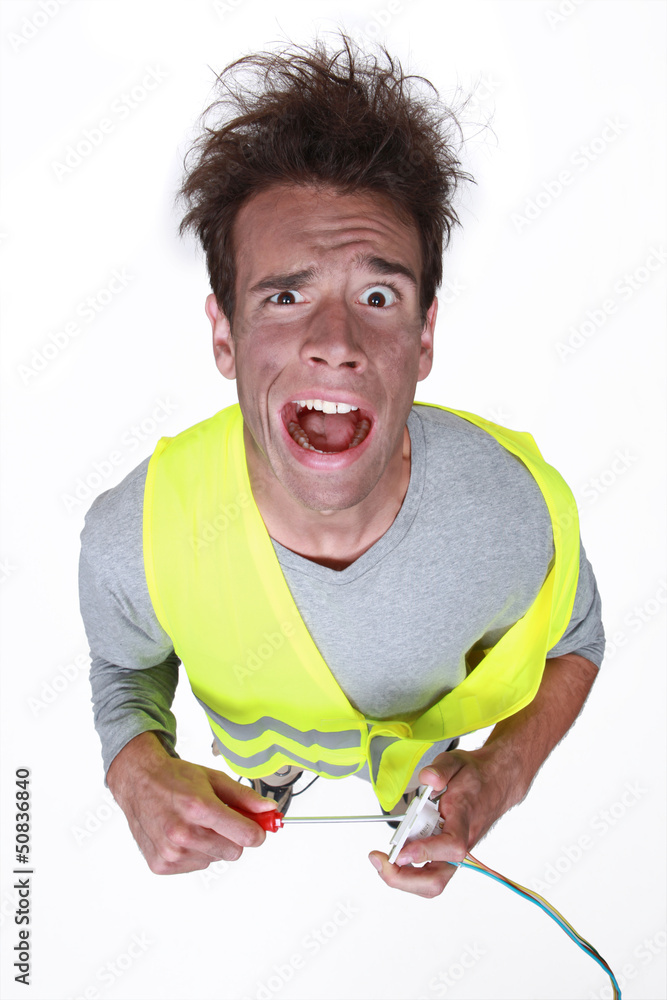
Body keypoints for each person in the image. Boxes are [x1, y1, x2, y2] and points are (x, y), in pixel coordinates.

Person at [79, 34, 604, 899]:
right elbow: (125, 667)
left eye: (377, 296)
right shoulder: (131, 535)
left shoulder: (508, 513)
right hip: (252, 748)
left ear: (423, 336)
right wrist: (133, 766)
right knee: (266, 768)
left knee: (411, 764)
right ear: (224, 335)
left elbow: (574, 640)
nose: (334, 343)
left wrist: (499, 776)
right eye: (284, 295)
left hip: (419, 756)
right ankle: (277, 779)